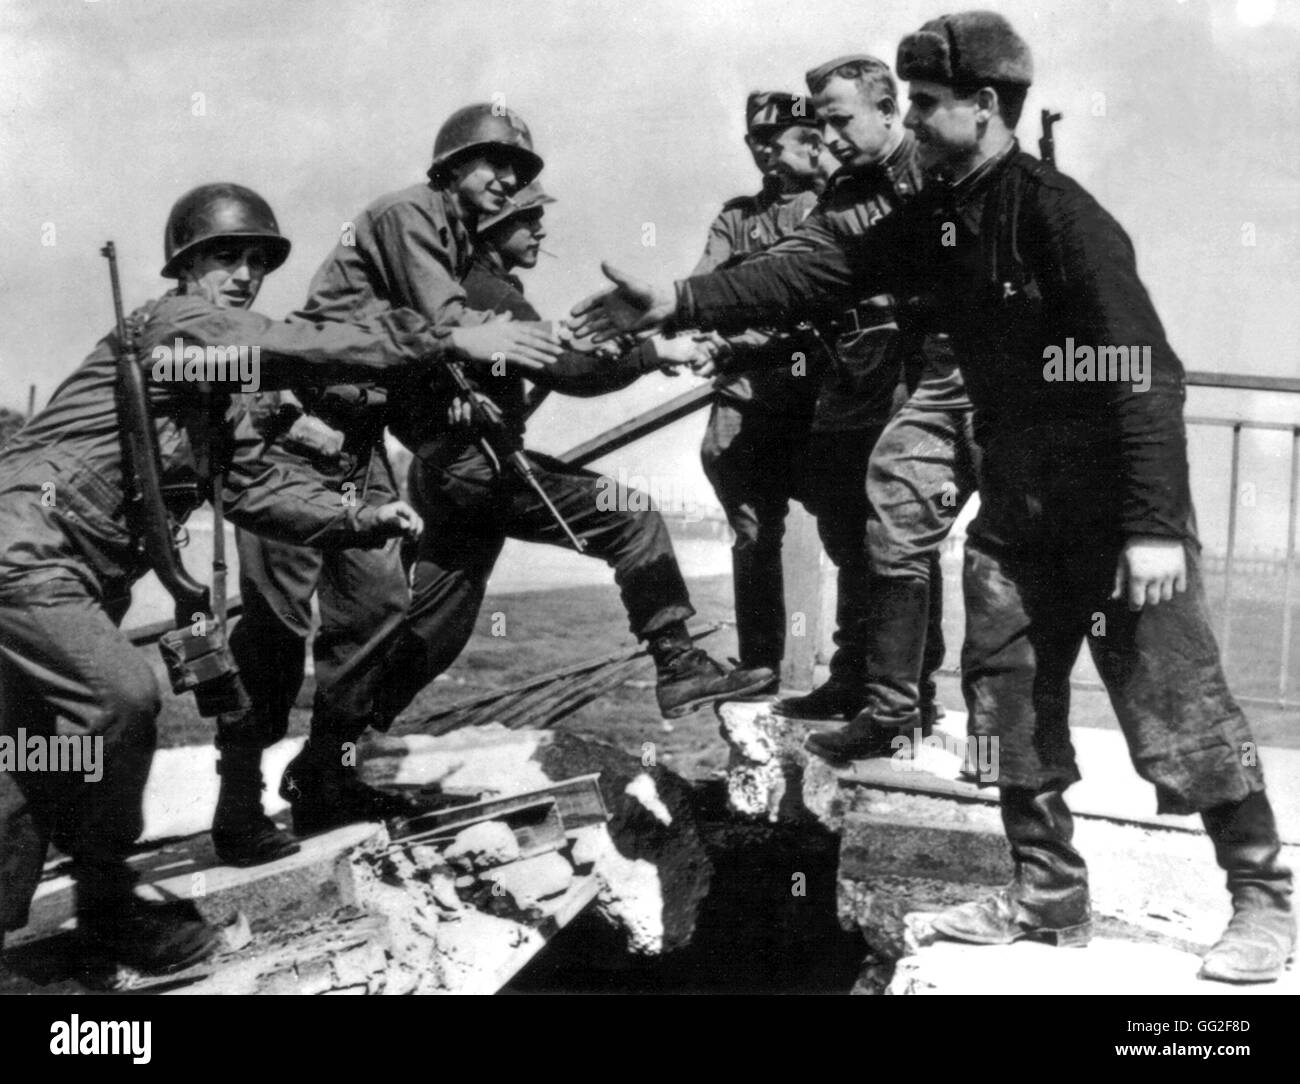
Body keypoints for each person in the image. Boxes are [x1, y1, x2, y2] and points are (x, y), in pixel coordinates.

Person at [570, 11, 1294, 985]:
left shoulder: (1056, 214)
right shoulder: (939, 215)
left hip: (1108, 505)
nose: (908, 120)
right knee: (1002, 699)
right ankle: (1045, 892)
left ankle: (1261, 905)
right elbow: (821, 267)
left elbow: (1142, 370)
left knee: (1177, 701)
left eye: (923, 102)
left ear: (984, 107)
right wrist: (682, 301)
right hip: (1015, 508)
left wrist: (1156, 525)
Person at [0, 182, 447, 975]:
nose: (244, 274)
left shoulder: (220, 389)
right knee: (120, 698)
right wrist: (427, 339)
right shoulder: (170, 328)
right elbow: (280, 345)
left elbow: (253, 489)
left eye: (257, 262)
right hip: (27, 545)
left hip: (72, 570)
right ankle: (108, 907)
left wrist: (359, 518)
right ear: (186, 267)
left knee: (32, 753)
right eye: (225, 258)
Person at [287, 103, 773, 751]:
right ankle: (678, 663)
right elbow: (562, 366)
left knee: (434, 624)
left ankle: (334, 751)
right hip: (464, 467)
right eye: (527, 216)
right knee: (628, 514)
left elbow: (524, 350)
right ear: (491, 218)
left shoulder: (473, 269)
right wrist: (655, 351)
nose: (538, 227)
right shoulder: (471, 276)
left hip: (448, 468)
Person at [218, 106, 566, 857]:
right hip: (294, 435)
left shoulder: (457, 237)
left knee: (376, 607)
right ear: (448, 167)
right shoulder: (408, 213)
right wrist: (517, 345)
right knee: (276, 630)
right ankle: (238, 804)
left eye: (518, 172)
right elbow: (449, 323)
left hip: (357, 441)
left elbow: (440, 344)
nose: (506, 181)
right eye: (491, 165)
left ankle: (327, 779)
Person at [692, 91, 827, 680]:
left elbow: (816, 301)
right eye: (758, 143)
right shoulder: (736, 217)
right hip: (750, 390)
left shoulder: (830, 207)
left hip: (821, 387)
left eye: (780, 141)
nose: (767, 154)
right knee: (751, 525)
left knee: (858, 525)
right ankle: (761, 661)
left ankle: (877, 678)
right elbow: (702, 288)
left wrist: (740, 327)